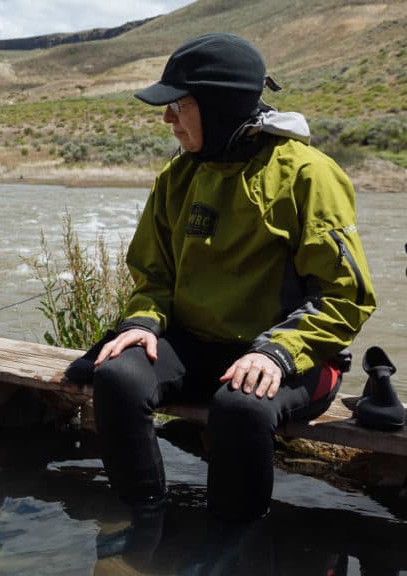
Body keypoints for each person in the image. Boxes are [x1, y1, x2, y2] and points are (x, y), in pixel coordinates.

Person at [91, 32, 377, 529]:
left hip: (293, 355)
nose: (167, 119)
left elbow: (344, 295)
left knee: (241, 407)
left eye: (178, 105)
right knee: (116, 374)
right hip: (199, 346)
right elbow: (153, 276)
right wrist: (141, 322)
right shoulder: (177, 177)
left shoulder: (309, 175)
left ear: (219, 106)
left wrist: (276, 352)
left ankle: (231, 541)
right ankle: (143, 526)